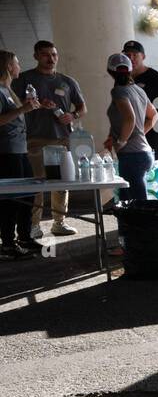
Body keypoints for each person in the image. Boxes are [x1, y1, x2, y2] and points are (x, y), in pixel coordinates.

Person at [14, 40, 85, 239]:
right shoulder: (24, 79)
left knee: (62, 182)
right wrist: (33, 103)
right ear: (36, 56)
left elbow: (82, 107)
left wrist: (73, 116)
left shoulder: (67, 81)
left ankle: (59, 222)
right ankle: (34, 225)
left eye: (54, 54)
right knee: (37, 184)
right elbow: (12, 105)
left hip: (62, 139)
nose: (50, 59)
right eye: (45, 55)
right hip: (34, 139)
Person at [0, 50, 42, 259]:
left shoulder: (8, 90)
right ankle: (7, 244)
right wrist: (22, 110)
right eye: (16, 63)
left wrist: (27, 108)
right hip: (6, 152)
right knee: (10, 198)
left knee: (27, 194)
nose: (19, 66)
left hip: (19, 149)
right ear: (8, 66)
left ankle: (24, 236)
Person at [104, 53, 158, 202]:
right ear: (130, 70)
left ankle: (139, 226)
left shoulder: (118, 91)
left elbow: (130, 118)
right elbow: (153, 116)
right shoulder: (138, 90)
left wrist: (121, 141)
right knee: (129, 199)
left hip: (131, 155)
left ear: (109, 71)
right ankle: (133, 225)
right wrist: (138, 133)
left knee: (134, 203)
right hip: (144, 153)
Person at [122, 40, 158, 159]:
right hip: (131, 132)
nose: (131, 58)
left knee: (154, 171)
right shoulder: (123, 79)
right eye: (128, 55)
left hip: (154, 133)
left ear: (143, 56)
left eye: (135, 55)